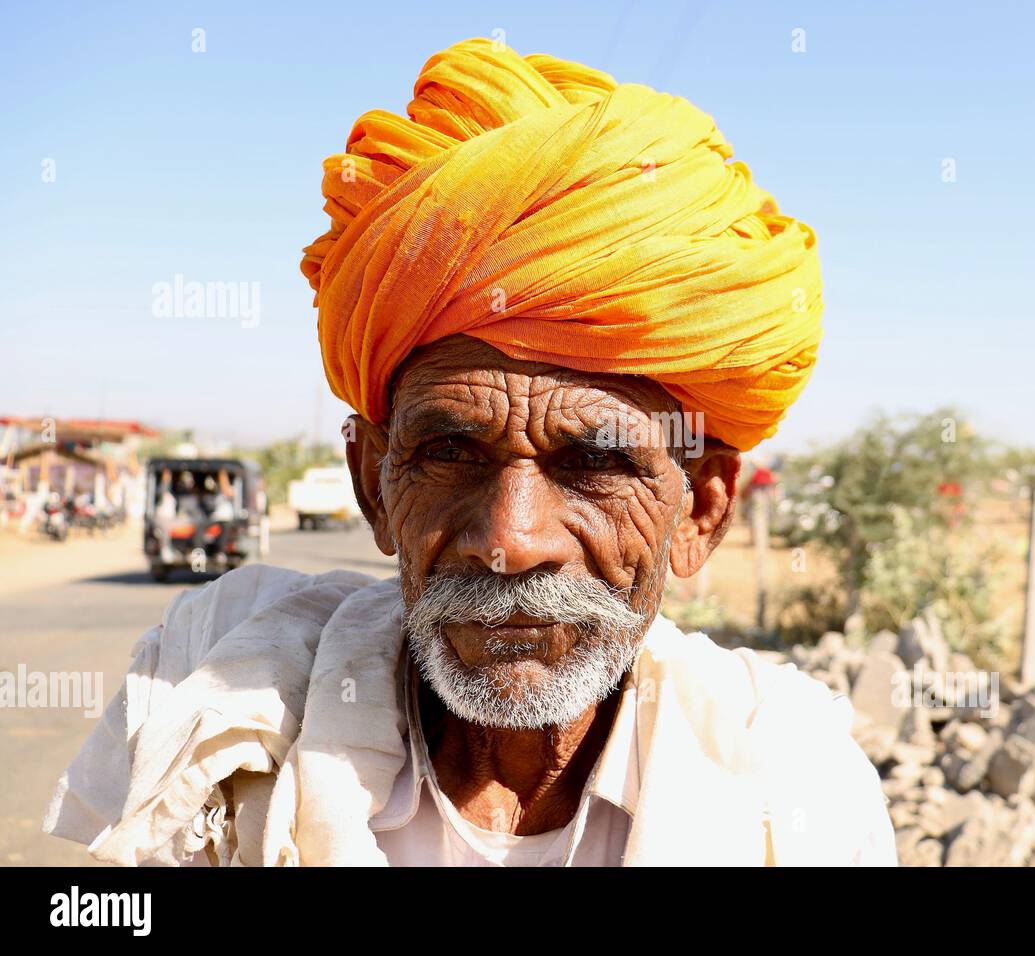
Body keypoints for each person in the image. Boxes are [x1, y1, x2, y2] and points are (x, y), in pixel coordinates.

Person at [44, 38, 896, 867]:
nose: (511, 540)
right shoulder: (217, 688)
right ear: (373, 484)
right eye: (451, 451)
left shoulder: (793, 789)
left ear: (700, 511)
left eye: (595, 463)